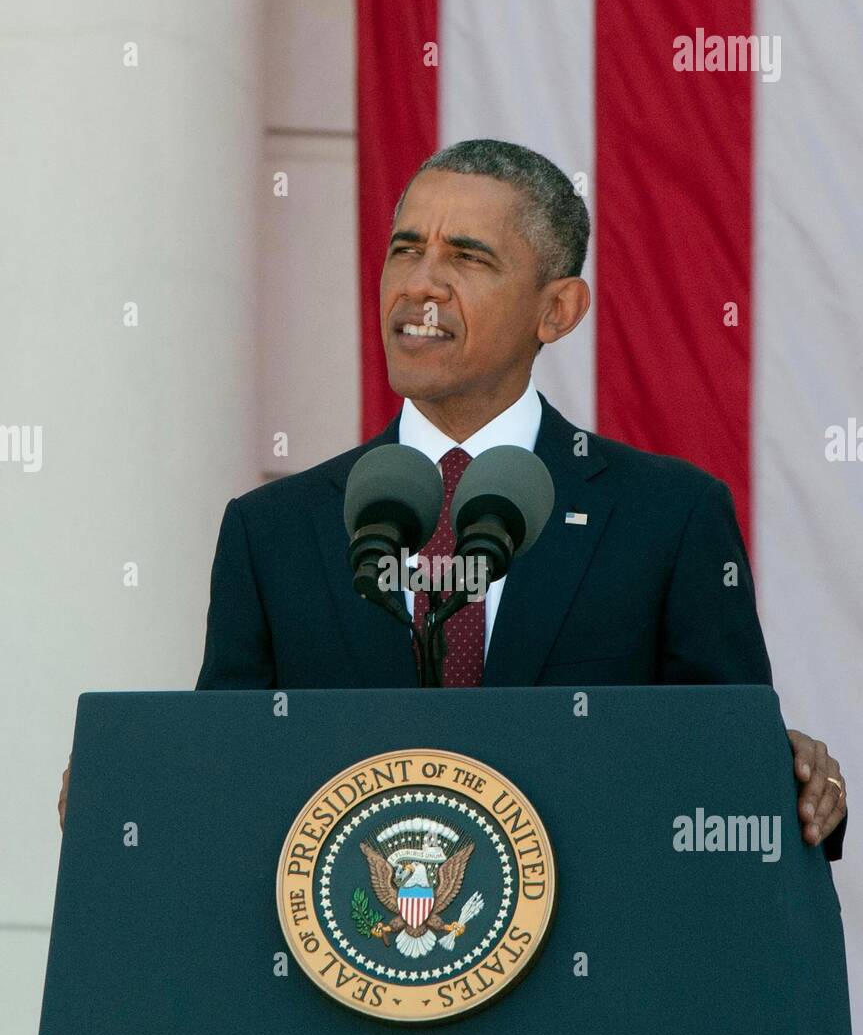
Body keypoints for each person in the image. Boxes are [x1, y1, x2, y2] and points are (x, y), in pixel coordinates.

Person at [59, 140, 848, 860]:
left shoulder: (667, 517)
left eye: (466, 257)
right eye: (406, 249)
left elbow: (720, 774)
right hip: (352, 985)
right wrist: (136, 789)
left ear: (557, 310)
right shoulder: (273, 530)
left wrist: (787, 775)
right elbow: (227, 771)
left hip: (586, 992)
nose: (421, 283)